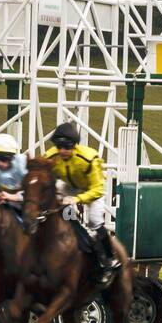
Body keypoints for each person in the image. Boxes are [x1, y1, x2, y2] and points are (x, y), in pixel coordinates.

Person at [43, 122, 120, 285]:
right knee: (62, 212)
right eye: (59, 146)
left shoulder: (88, 158)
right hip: (69, 186)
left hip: (92, 190)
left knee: (94, 220)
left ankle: (109, 259)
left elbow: (98, 189)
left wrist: (77, 199)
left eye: (67, 147)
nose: (63, 151)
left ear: (74, 145)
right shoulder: (51, 156)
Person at [0, 133, 26, 213]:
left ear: (12, 157)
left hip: (27, 209)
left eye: (3, 159)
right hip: (5, 208)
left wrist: (13, 197)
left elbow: (37, 192)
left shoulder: (22, 163)